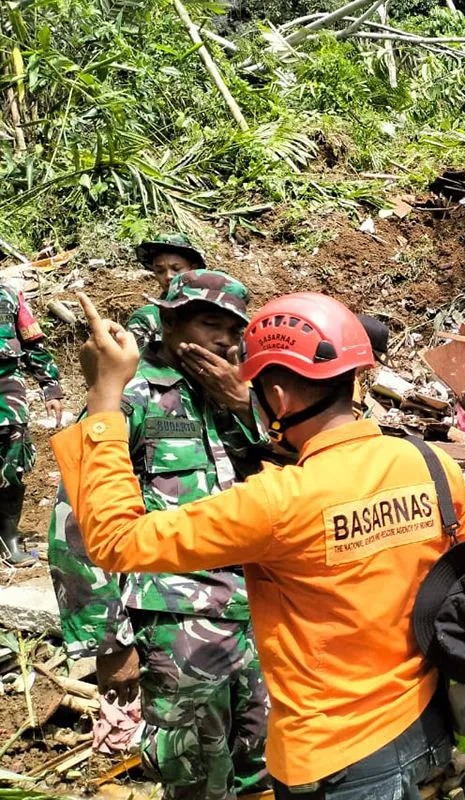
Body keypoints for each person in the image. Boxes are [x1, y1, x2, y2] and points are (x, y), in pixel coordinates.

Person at [54, 291, 465, 799]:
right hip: (424, 724)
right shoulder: (432, 465)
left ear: (276, 399)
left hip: (334, 756)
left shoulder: (278, 502)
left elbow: (115, 540)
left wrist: (102, 397)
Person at [48, 270, 269, 800]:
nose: (223, 339)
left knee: (262, 763)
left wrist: (243, 403)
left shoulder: (235, 394)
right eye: (208, 322)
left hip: (256, 611)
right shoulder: (129, 397)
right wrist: (109, 642)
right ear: (169, 322)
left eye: (233, 329)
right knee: (192, 772)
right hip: (178, 625)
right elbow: (77, 520)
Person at [0, 280, 64, 563]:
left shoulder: (10, 294)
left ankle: (7, 541)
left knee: (12, 464)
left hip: (6, 388)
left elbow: (33, 342)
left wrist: (50, 387)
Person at [127, 233, 206, 349]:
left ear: (193, 269)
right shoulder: (147, 318)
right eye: (160, 271)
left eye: (176, 269)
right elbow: (134, 363)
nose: (168, 276)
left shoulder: (213, 313)